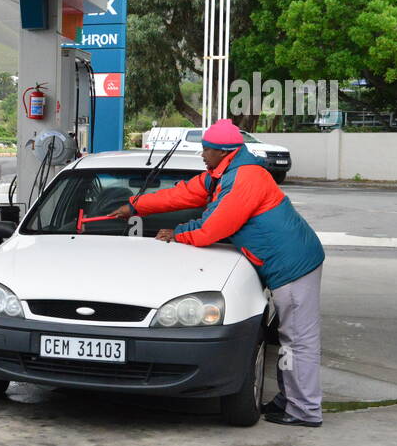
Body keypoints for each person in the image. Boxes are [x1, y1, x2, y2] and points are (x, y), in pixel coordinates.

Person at [110, 118, 326, 427]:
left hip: (294, 267)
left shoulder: (244, 180)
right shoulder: (223, 175)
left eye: (206, 150)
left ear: (222, 151)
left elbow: (213, 228)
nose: (201, 155)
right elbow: (181, 194)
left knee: (297, 341)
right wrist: (135, 205)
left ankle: (304, 410)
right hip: (288, 263)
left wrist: (177, 233)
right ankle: (290, 399)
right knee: (292, 337)